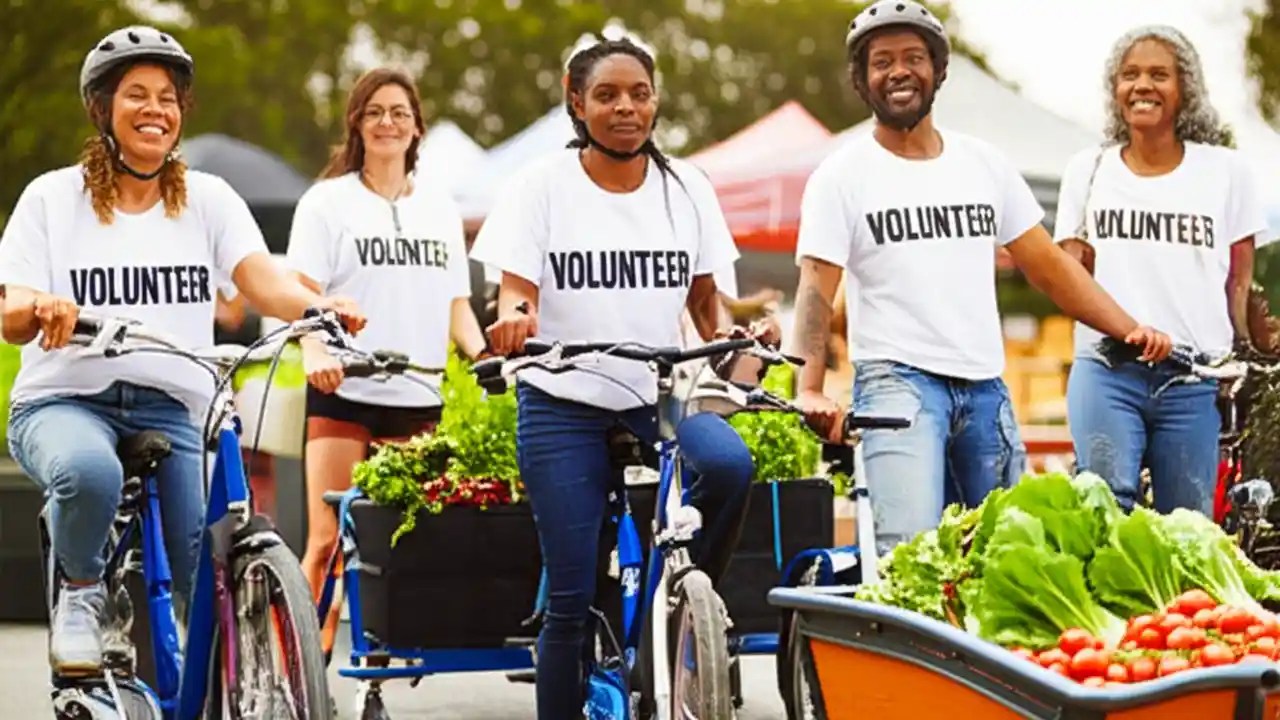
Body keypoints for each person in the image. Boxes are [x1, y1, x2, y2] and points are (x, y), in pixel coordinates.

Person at [0, 25, 365, 676]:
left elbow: (262, 281)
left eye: (168, 97)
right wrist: (41, 308)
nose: (155, 109)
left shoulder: (208, 199)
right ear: (102, 108)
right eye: (136, 94)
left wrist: (317, 308)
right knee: (90, 474)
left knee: (206, 562)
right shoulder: (53, 199)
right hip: (65, 399)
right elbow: (12, 310)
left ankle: (226, 686)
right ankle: (84, 596)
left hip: (173, 404)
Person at [789, 1, 1173, 555]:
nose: (898, 71)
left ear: (938, 70)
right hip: (898, 386)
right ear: (861, 79)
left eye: (914, 58)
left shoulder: (983, 163)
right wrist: (807, 388)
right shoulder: (840, 176)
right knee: (912, 555)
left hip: (986, 388)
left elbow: (1050, 267)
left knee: (1006, 555)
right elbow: (814, 292)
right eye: (881, 61)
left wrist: (1130, 327)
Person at [470, 35, 774, 720]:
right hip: (563, 399)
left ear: (656, 100)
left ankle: (691, 597)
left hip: (659, 394)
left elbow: (704, 302)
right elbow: (514, 292)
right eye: (606, 95)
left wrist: (732, 339)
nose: (626, 107)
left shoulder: (686, 186)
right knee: (572, 598)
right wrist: (516, 320)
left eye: (639, 93)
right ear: (576, 103)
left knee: (727, 465)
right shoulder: (539, 186)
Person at [285, 66, 487, 657]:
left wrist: (484, 359)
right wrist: (317, 349)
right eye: (374, 112)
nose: (387, 122)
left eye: (399, 112)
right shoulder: (327, 202)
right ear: (356, 123)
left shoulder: (440, 209)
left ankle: (377, 657)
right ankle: (299, 662)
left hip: (418, 398)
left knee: (397, 541)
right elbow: (300, 291)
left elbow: (456, 303)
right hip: (344, 391)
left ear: (417, 126)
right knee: (327, 539)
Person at [1056, 25, 1268, 514]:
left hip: (1192, 378)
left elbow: (1238, 281)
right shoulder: (1088, 169)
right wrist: (1126, 327)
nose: (1142, 86)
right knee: (1107, 510)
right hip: (1107, 368)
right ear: (1115, 90)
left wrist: (1242, 358)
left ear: (1185, 89)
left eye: (1159, 75)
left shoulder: (1227, 172)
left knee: (1187, 526)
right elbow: (1070, 276)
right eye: (1129, 75)